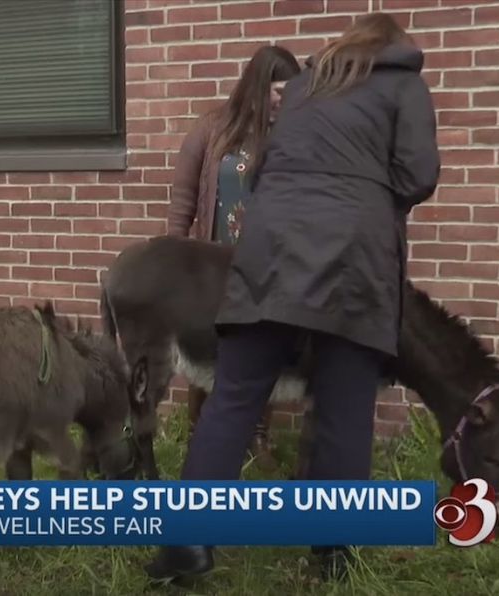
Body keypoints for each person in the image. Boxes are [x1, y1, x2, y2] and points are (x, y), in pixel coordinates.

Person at [144, 12, 441, 585]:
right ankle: (332, 554)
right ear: (396, 48)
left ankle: (186, 543)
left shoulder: (305, 88)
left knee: (233, 397)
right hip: (357, 264)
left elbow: (260, 177)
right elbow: (418, 177)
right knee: (344, 408)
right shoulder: (404, 85)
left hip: (270, 252)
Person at [166, 44, 301, 469]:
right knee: (206, 346)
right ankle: (200, 433)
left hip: (265, 267)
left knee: (262, 348)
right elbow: (184, 195)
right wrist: (174, 254)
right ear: (257, 88)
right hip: (211, 265)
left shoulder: (295, 133)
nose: (283, 100)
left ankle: (256, 436)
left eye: (291, 92)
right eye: (277, 91)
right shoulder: (213, 127)